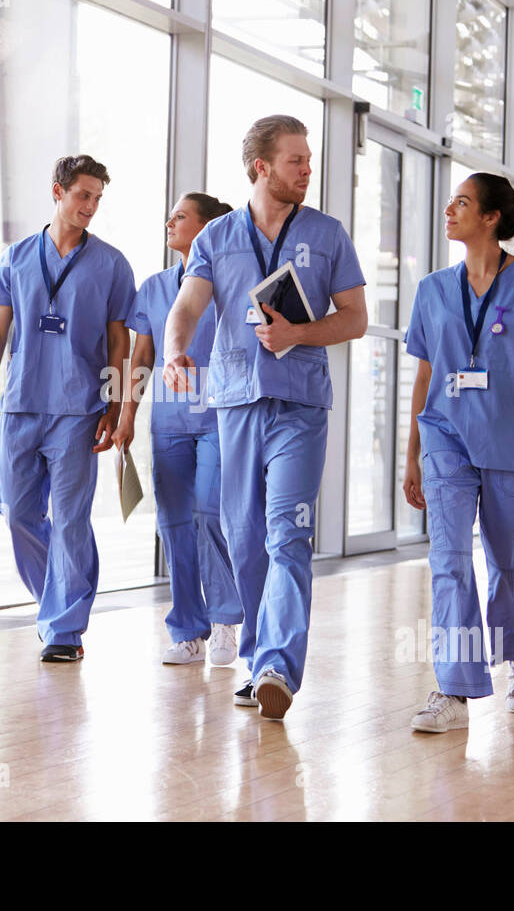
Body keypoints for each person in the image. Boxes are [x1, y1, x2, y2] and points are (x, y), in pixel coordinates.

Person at [163, 116, 368, 720]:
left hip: (300, 405)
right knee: (246, 540)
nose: (308, 169)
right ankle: (257, 660)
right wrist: (176, 349)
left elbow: (354, 317)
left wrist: (299, 333)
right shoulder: (216, 238)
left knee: (287, 536)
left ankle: (278, 663)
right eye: (296, 161)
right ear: (262, 167)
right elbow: (187, 306)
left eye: (308, 160)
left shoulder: (328, 235)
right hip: (235, 404)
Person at [402, 172, 514, 732]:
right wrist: (411, 453)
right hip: (446, 440)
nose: (449, 209)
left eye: (462, 202)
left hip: (511, 441)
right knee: (449, 561)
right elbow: (425, 372)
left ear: (491, 219)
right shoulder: (433, 289)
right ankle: (453, 691)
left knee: (512, 562)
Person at [0, 154, 135, 662]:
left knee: (69, 520)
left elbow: (118, 341)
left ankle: (64, 629)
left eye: (97, 199)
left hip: (79, 408)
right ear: (57, 192)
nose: (90, 206)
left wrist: (114, 403)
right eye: (83, 195)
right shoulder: (17, 257)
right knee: (18, 512)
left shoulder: (111, 263)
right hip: (22, 404)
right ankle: (55, 602)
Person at [114, 192, 243, 667]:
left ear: (209, 228)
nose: (170, 221)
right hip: (167, 424)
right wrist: (127, 415)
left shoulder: (230, 284)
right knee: (173, 524)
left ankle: (227, 619)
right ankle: (189, 629)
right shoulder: (153, 287)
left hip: (219, 418)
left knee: (210, 512)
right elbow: (142, 358)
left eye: (181, 216)